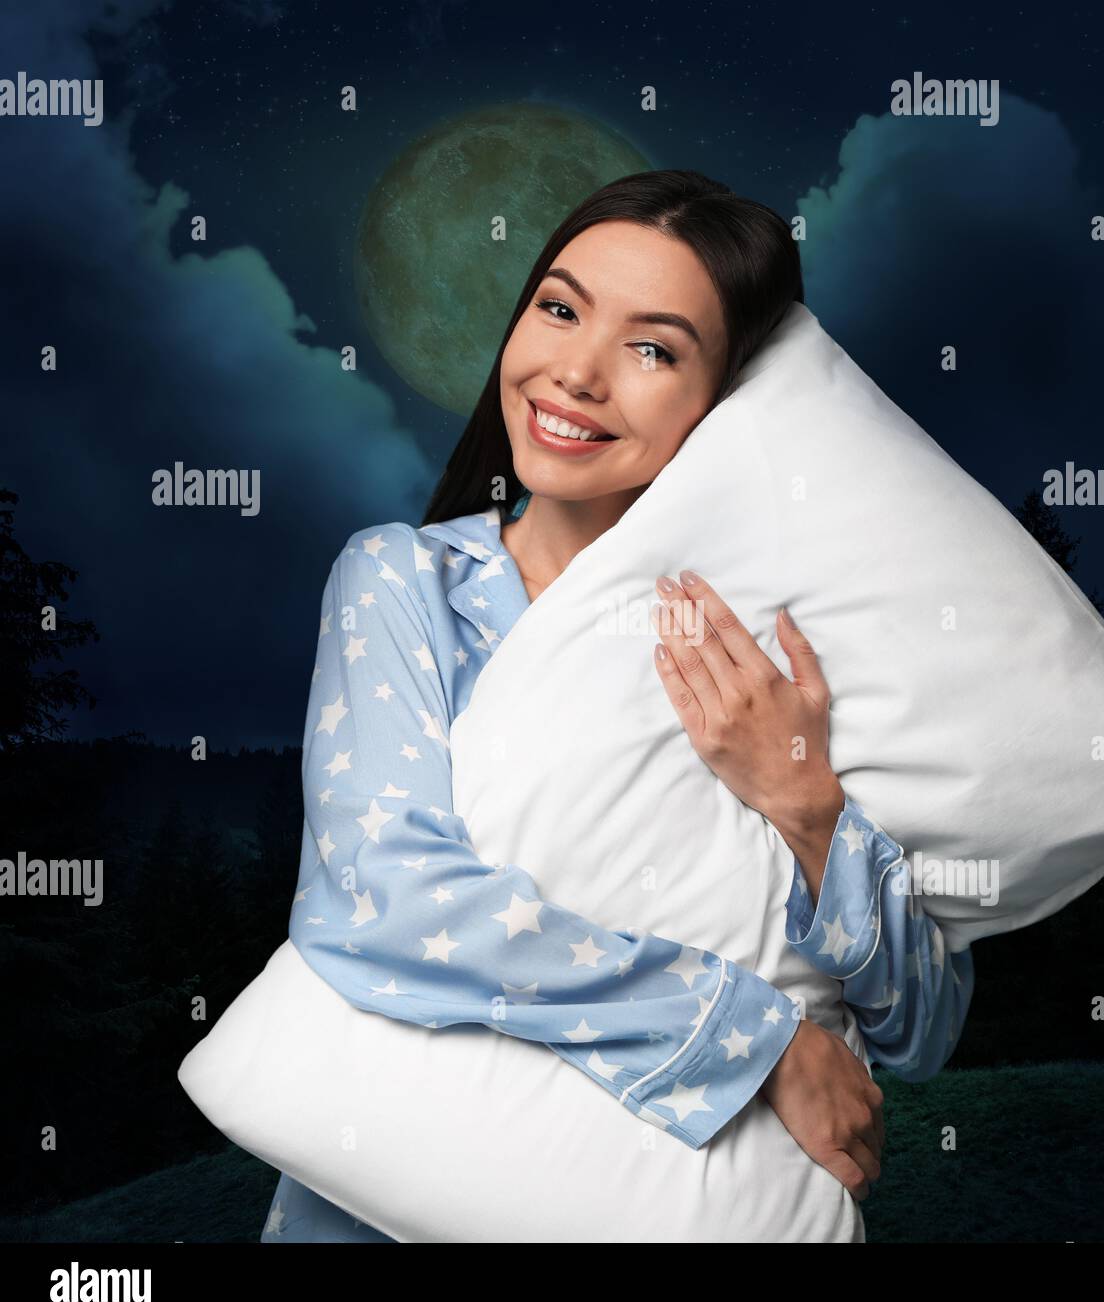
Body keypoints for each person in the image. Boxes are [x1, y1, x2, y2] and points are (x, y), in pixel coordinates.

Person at [262, 170, 974, 1243]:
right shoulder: (407, 585)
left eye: (652, 348)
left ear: (726, 402)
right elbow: (385, 902)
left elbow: (920, 1029)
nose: (576, 373)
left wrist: (803, 803)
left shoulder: (771, 658)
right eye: (558, 308)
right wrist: (759, 1038)